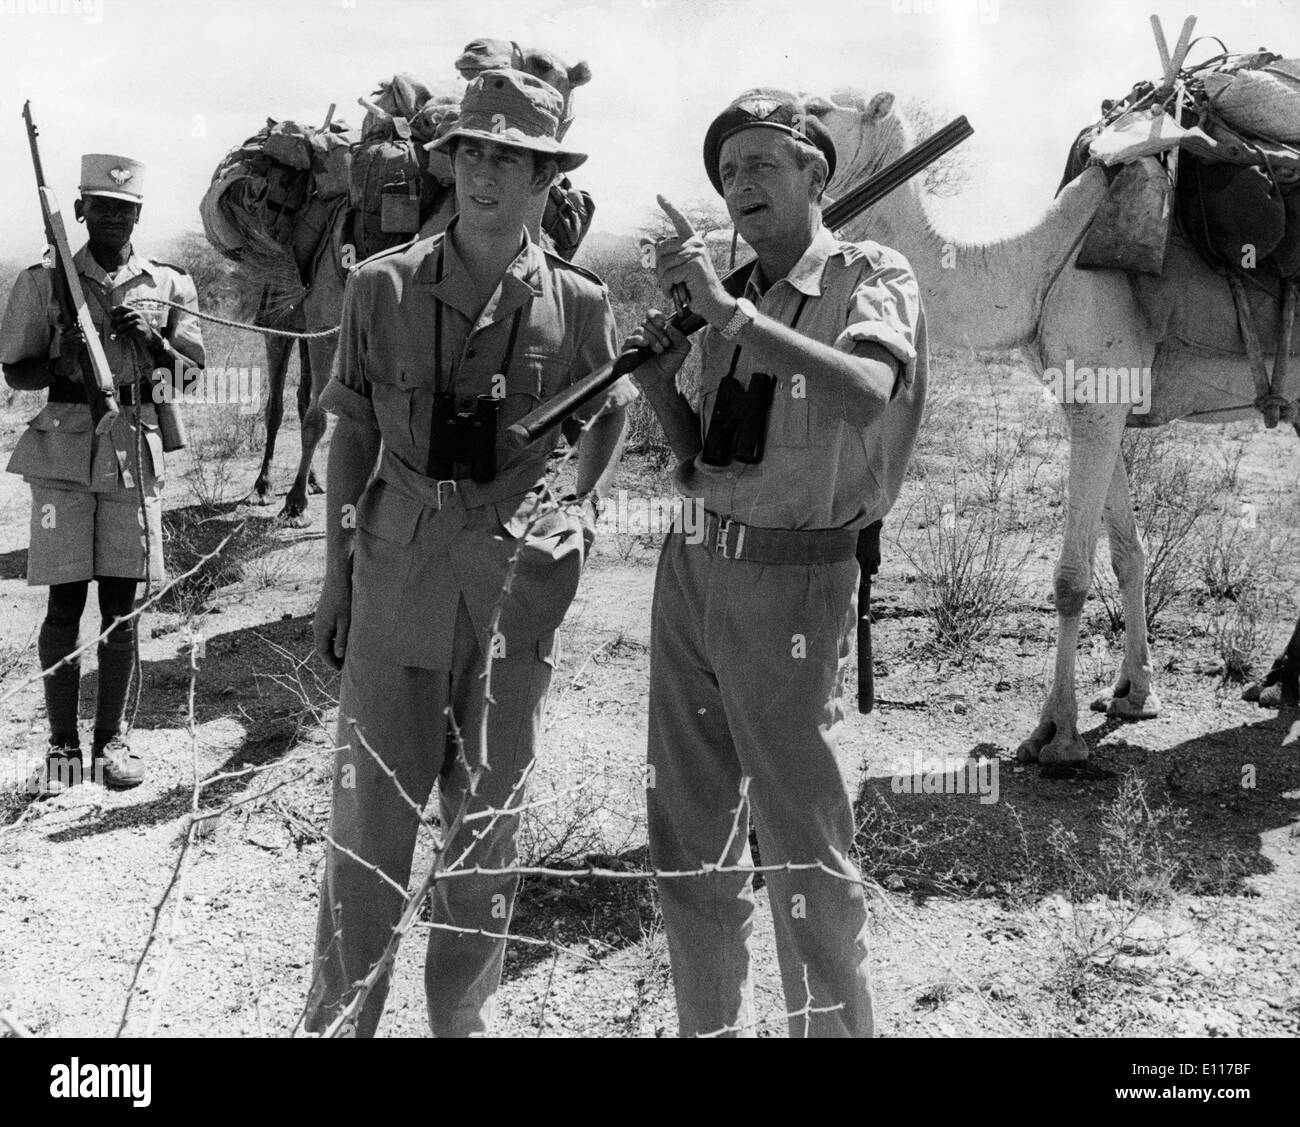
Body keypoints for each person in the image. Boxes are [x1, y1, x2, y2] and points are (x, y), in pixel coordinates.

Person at [307, 68, 634, 1037]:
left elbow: (609, 412)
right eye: (475, 151)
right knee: (369, 826)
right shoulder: (382, 285)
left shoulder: (578, 304)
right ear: (453, 161)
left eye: (513, 157)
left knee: (487, 833)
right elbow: (354, 436)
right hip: (397, 578)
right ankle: (339, 1020)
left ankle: (461, 1021)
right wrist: (334, 577)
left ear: (545, 176)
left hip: (509, 593)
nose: (488, 173)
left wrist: (572, 508)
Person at [628, 89, 928, 1037]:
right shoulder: (738, 294)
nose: (740, 184)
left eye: (762, 163)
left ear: (814, 173)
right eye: (727, 173)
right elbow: (708, 460)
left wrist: (733, 318)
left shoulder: (869, 272)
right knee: (688, 837)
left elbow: (866, 393)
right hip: (694, 574)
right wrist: (656, 383)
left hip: (792, 583)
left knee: (802, 848)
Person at [1, 154, 203, 796]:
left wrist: (154, 342)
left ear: (139, 214)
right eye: (103, 206)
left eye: (127, 208)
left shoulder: (169, 284)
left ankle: (111, 741)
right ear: (81, 210)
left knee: (121, 603)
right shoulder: (44, 281)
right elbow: (16, 371)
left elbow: (192, 378)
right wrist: (62, 359)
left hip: (133, 449)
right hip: (63, 450)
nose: (115, 217)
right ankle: (62, 747)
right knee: (65, 601)